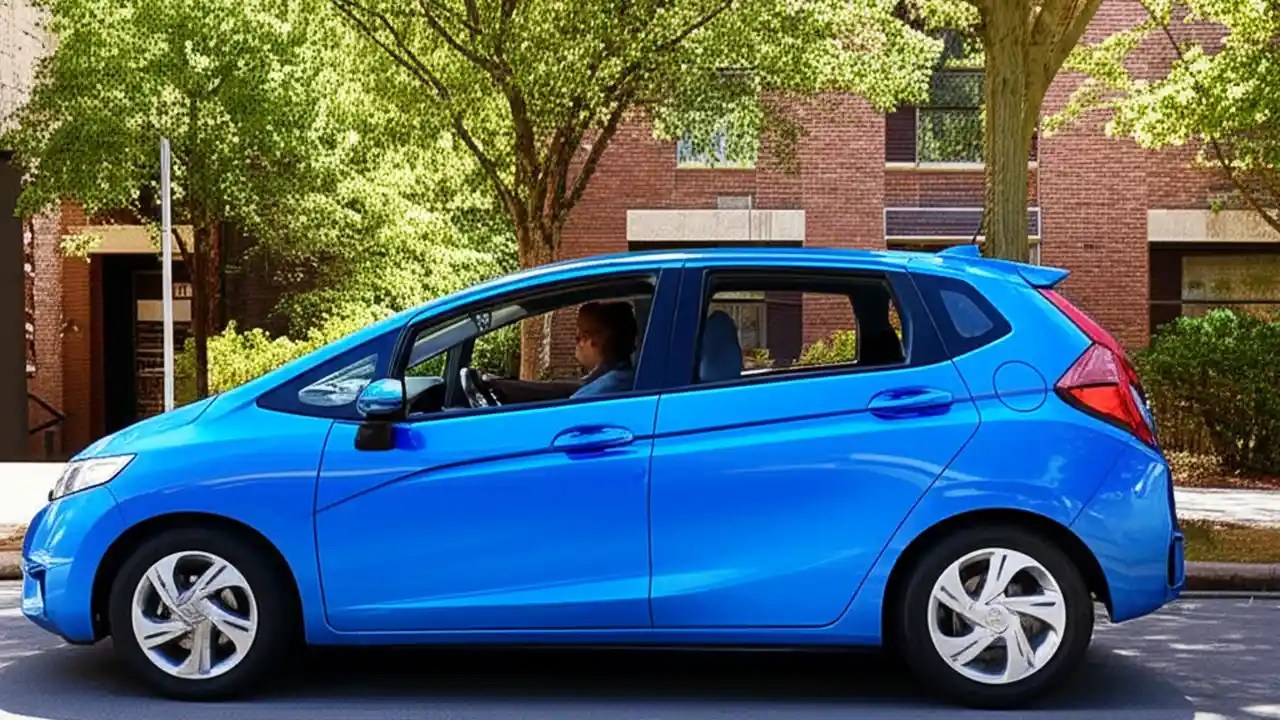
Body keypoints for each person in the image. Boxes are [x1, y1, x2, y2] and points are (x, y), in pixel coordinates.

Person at [571, 301, 637, 398]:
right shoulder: (632, 380)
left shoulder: (587, 397)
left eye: (577, 338)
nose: (577, 346)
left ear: (588, 339)